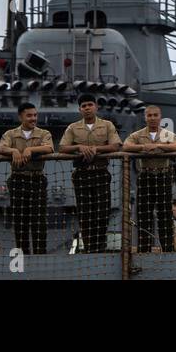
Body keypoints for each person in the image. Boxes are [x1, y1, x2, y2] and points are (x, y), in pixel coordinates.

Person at [59, 93, 122, 254]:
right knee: (85, 215)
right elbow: (62, 148)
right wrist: (79, 147)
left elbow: (115, 145)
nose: (87, 108)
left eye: (90, 105)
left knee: (102, 213)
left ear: (96, 106)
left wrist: (96, 149)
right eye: (84, 106)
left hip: (101, 173)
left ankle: (99, 249)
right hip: (82, 175)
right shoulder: (73, 128)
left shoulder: (107, 125)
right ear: (80, 109)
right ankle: (89, 250)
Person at [122, 105, 176, 252]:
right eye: (149, 115)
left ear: (160, 116)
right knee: (144, 215)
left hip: (163, 176)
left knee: (164, 216)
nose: (153, 118)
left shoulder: (166, 134)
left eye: (155, 115)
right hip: (146, 177)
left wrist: (160, 146)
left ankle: (168, 250)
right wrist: (144, 147)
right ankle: (144, 250)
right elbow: (126, 145)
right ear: (145, 117)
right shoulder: (139, 134)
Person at [0, 103, 55, 255]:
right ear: (20, 117)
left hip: (37, 180)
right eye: (29, 115)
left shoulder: (43, 133)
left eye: (35, 115)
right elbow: (1, 148)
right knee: (20, 221)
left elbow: (49, 148)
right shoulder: (11, 134)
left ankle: (39, 255)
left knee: (39, 221)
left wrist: (30, 149)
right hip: (18, 180)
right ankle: (24, 256)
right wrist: (14, 150)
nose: (33, 118)